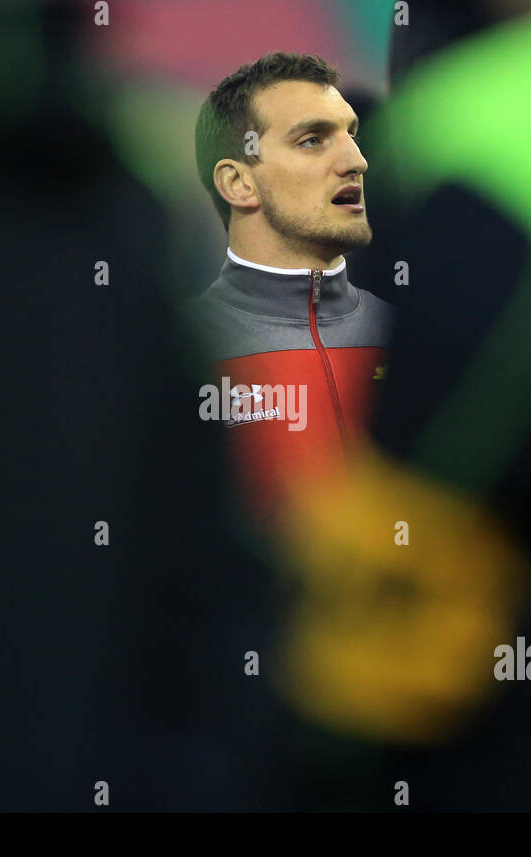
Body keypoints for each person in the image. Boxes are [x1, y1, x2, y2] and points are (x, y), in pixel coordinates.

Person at [187, 52, 395, 525]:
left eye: (352, 135)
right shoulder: (176, 350)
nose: (356, 162)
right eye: (312, 140)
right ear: (239, 184)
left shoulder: (415, 334)